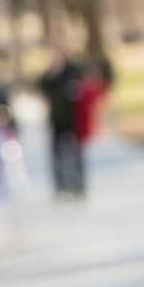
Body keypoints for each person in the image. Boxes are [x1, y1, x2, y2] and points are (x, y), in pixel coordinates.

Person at [39, 49, 90, 200]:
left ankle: (78, 185)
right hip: (56, 121)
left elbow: (82, 91)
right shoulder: (49, 74)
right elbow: (42, 87)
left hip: (72, 122)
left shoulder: (72, 72)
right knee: (57, 156)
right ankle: (61, 187)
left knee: (75, 155)